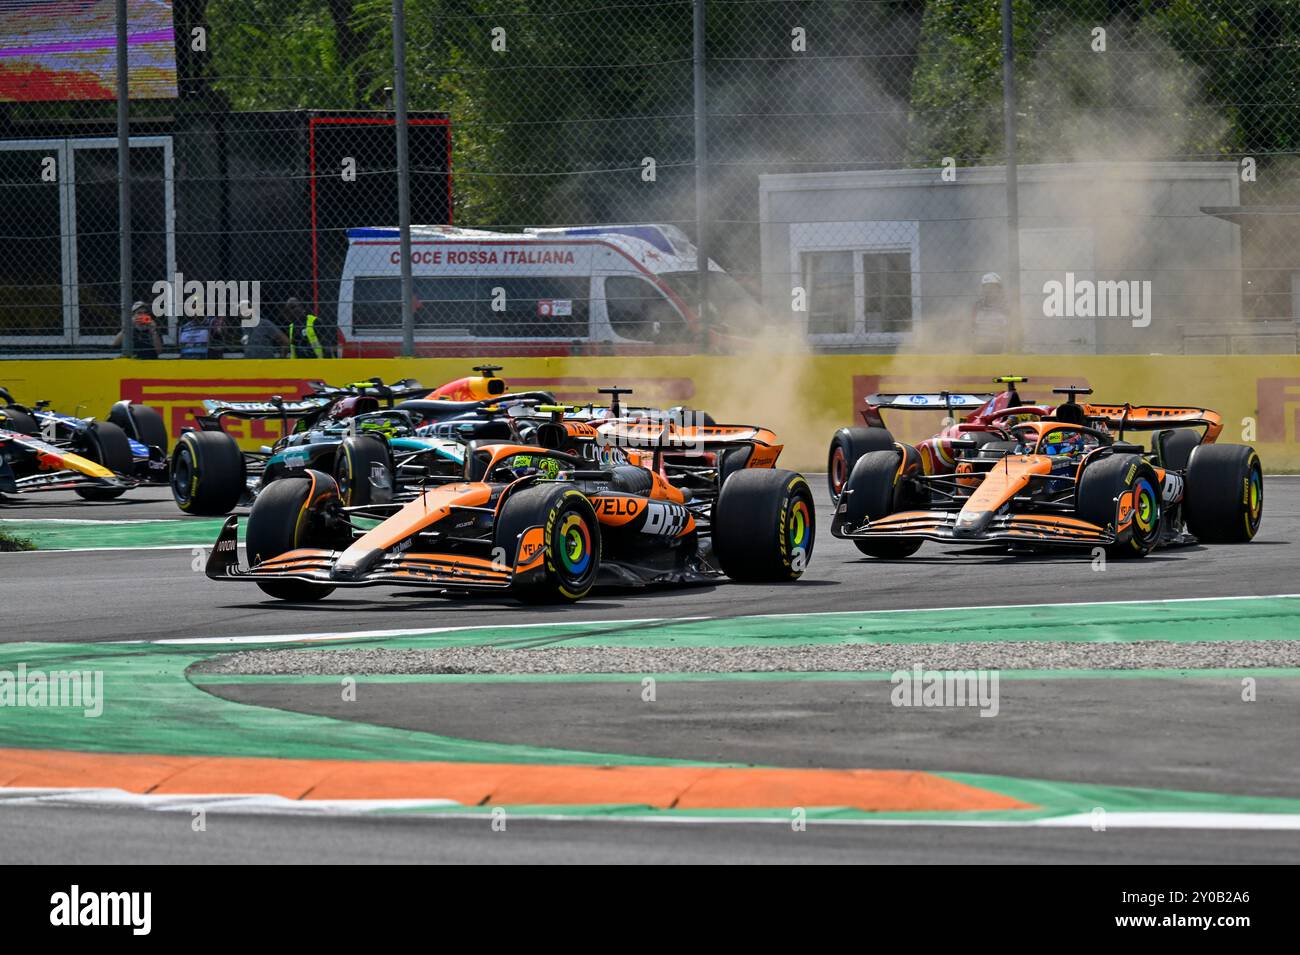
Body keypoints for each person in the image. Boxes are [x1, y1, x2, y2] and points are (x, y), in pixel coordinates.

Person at [973, 272, 1010, 354]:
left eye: (992, 287)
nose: (989, 290)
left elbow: (1010, 330)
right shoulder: (978, 306)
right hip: (980, 346)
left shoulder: (1005, 306)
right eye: (986, 287)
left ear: (999, 289)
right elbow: (973, 327)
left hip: (999, 346)